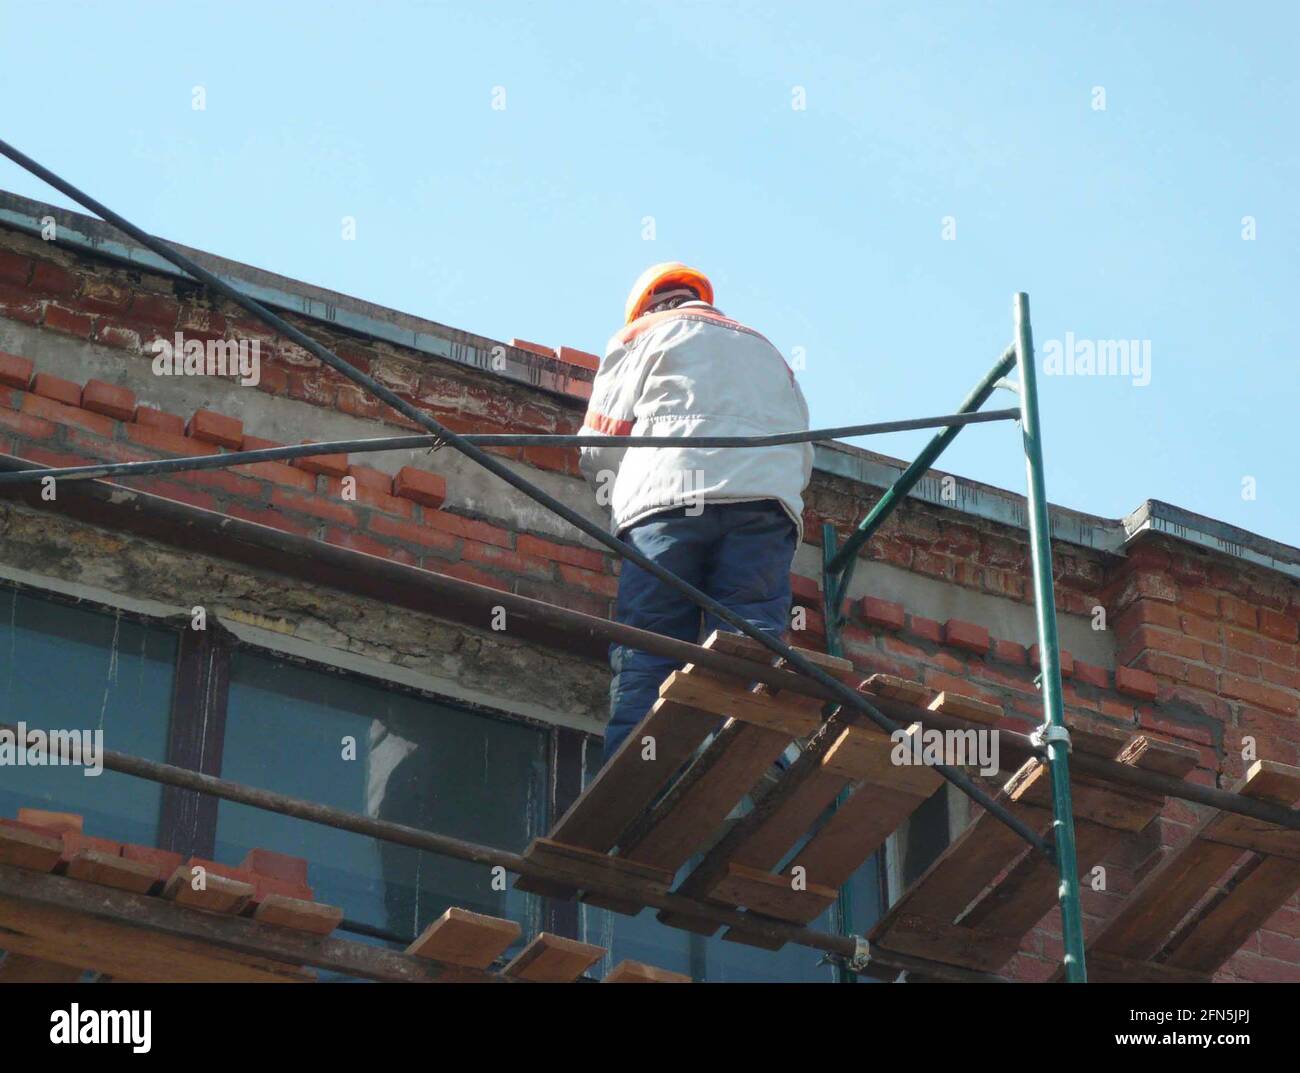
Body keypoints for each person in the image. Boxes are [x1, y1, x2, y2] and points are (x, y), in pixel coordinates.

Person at [580, 262, 813, 764]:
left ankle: (634, 771)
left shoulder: (641, 333)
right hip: (764, 508)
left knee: (651, 643)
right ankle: (753, 765)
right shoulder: (765, 347)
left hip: (669, 500)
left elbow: (602, 440)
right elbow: (801, 449)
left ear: (645, 306)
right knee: (751, 641)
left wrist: (612, 507)